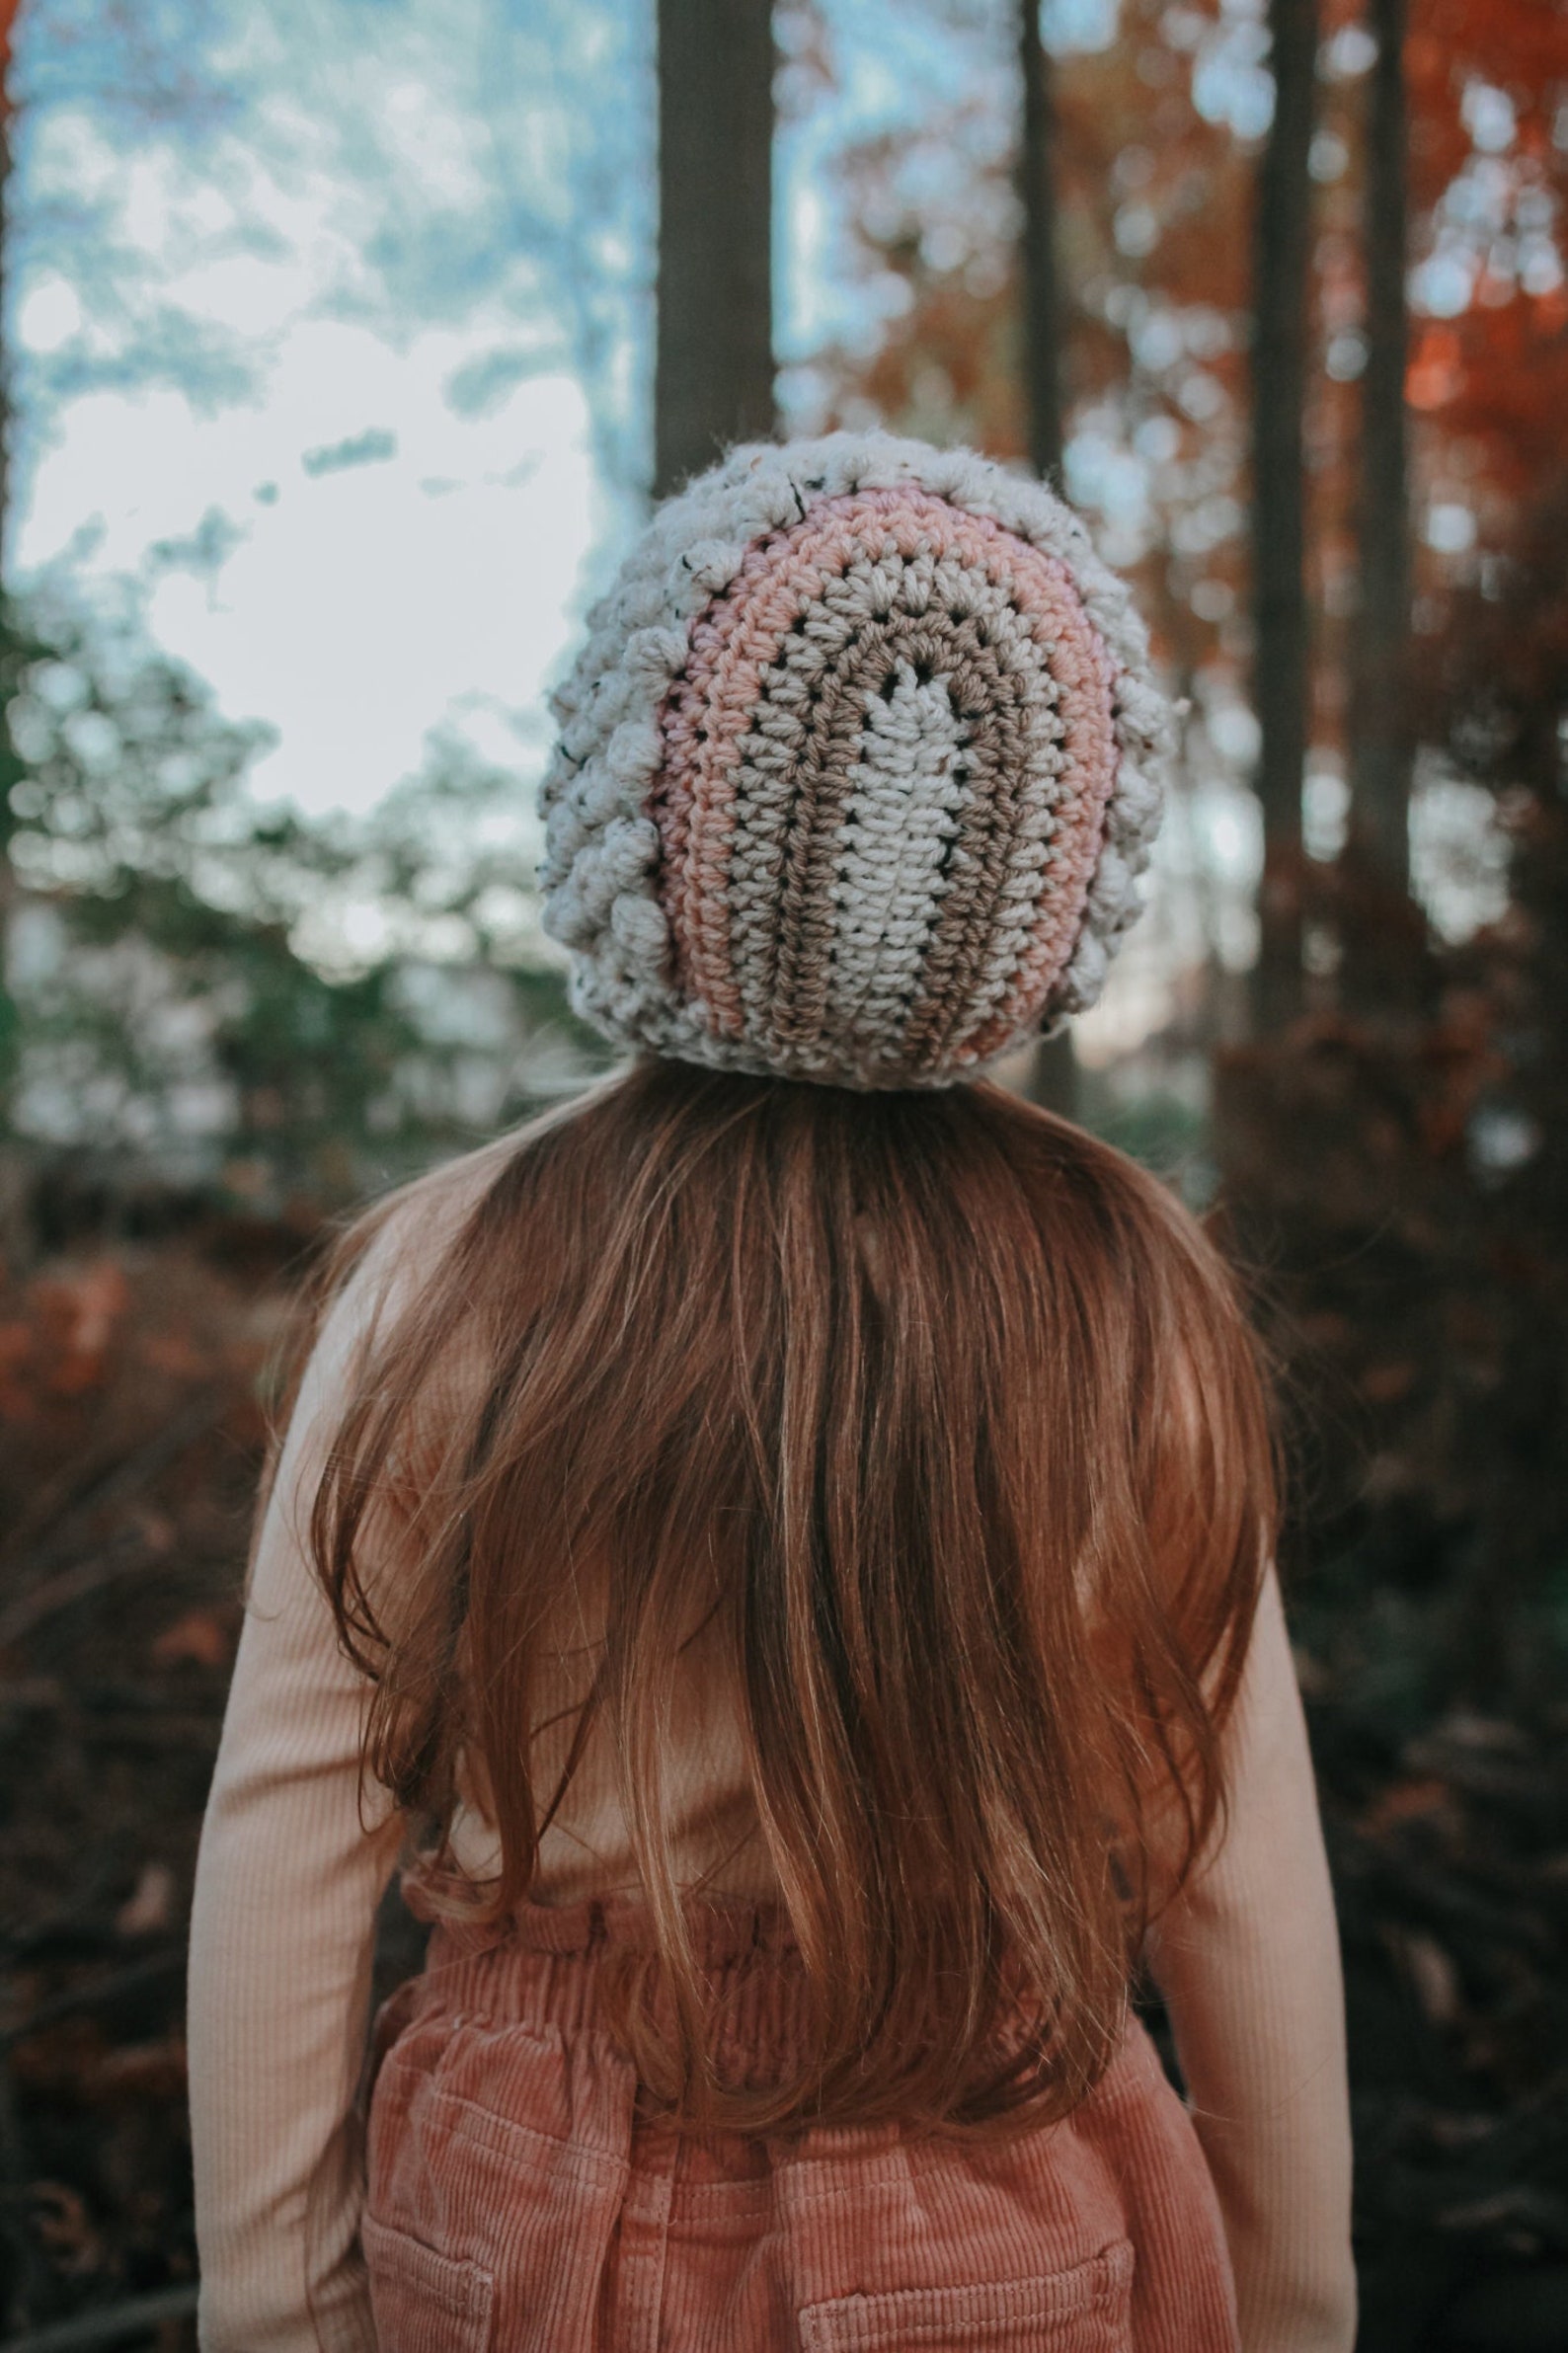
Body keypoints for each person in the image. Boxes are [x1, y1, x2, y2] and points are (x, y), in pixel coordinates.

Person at [188, 432, 1356, 2353]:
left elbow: (289, 1827)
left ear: (624, 818)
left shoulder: (444, 1270)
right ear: (1050, 887)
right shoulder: (1122, 1294)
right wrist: (1298, 2298)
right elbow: (1229, 1877)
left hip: (519, 2202)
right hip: (992, 2166)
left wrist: (277, 2311)